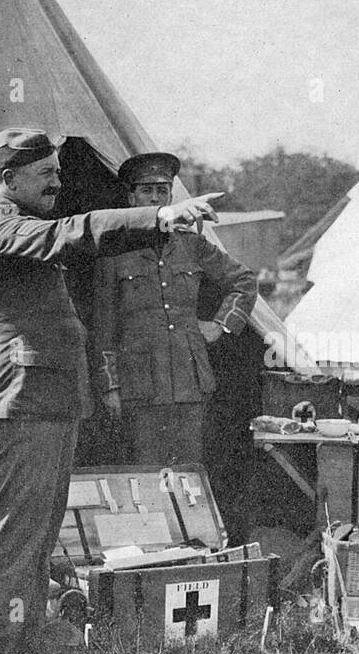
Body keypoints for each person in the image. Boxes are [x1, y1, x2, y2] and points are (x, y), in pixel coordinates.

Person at [0, 129, 218, 654]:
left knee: (34, 547)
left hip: (48, 402)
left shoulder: (24, 223)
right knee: (15, 546)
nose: (57, 183)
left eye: (58, 171)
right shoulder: (4, 228)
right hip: (23, 403)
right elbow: (73, 234)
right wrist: (158, 217)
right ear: (9, 181)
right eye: (43, 175)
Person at [92, 152, 257, 465]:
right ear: (131, 198)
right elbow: (104, 327)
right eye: (146, 191)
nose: (156, 198)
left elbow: (244, 281)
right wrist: (110, 387)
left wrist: (221, 324)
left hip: (190, 381)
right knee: (148, 473)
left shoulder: (191, 244)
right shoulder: (112, 253)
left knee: (191, 472)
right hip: (140, 386)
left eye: (162, 191)